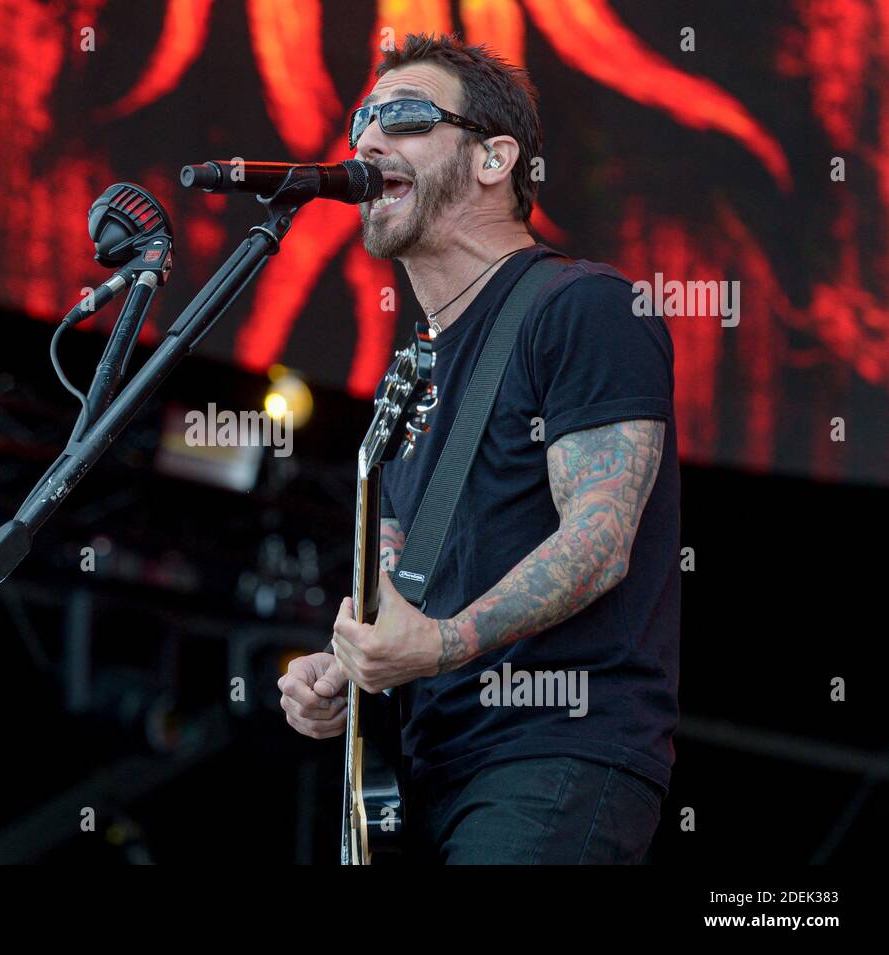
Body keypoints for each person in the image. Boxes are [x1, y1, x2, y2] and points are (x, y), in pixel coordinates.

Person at [277, 32, 679, 864]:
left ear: (496, 158)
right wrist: (344, 668)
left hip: (553, 750)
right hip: (426, 767)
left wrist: (445, 642)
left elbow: (600, 542)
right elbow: (397, 596)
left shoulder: (585, 306)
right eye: (362, 122)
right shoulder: (411, 368)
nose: (368, 142)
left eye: (407, 118)